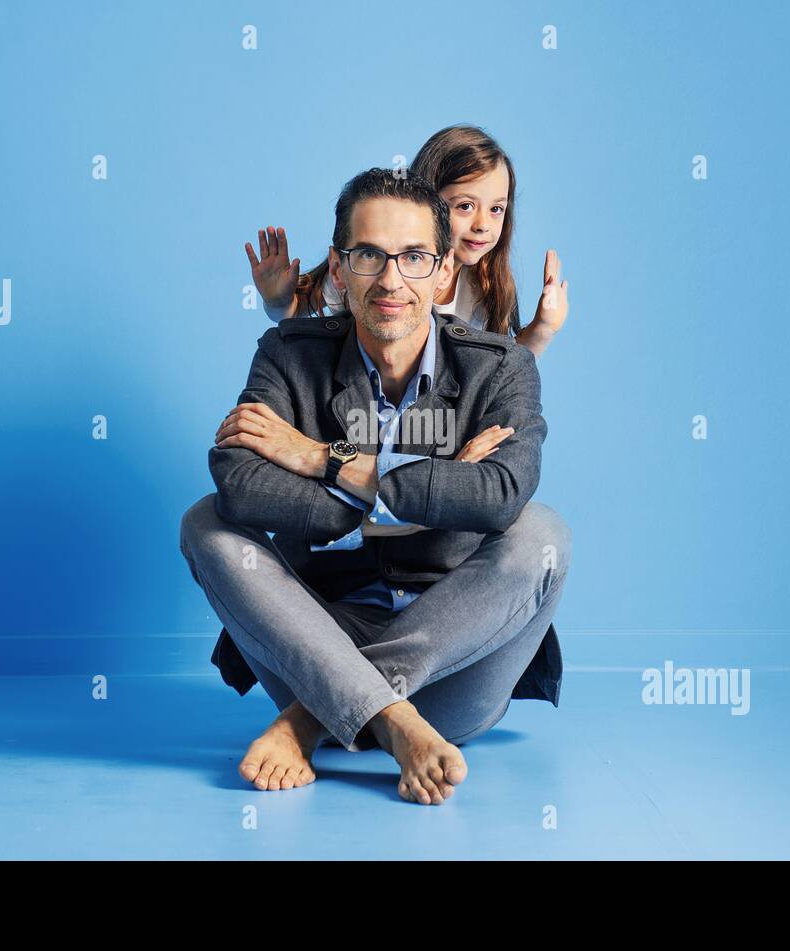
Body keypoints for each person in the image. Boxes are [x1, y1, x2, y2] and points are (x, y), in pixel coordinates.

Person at [181, 168, 571, 805]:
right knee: (206, 524)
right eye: (369, 256)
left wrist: (324, 459)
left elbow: (500, 495)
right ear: (338, 269)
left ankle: (310, 719)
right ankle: (391, 724)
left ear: (445, 272)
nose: (392, 281)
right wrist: (436, 492)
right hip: (317, 638)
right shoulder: (288, 353)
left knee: (542, 534)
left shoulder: (499, 368)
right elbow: (239, 485)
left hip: (454, 661)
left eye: (415, 257)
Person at [245, 125, 570, 358]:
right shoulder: (374, 275)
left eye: (496, 209)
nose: (483, 224)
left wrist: (542, 327)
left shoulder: (484, 287)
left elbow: (504, 371)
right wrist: (278, 301)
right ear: (423, 204)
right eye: (465, 206)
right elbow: (293, 315)